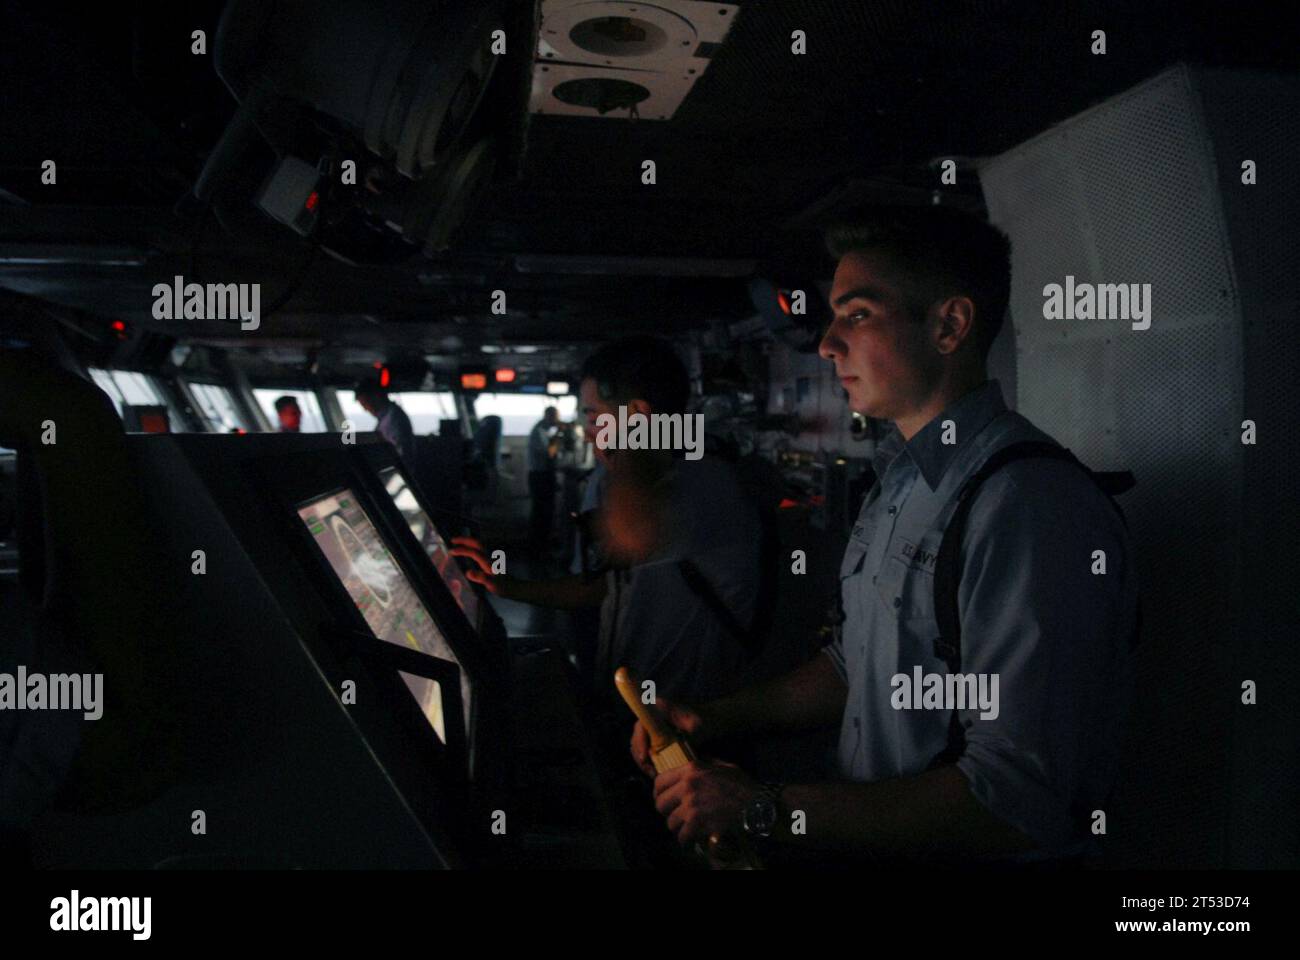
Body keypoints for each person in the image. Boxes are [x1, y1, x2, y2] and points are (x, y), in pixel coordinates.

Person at [630, 206, 1138, 866]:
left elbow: (1012, 798)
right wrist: (714, 718)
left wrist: (761, 808)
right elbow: (855, 667)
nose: (826, 343)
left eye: (858, 314)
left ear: (950, 325)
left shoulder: (1027, 506)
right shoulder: (900, 484)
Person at [451, 337, 763, 707]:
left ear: (638, 417)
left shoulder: (707, 483)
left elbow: (630, 534)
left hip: (693, 727)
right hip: (633, 713)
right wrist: (510, 588)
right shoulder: (649, 478)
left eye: (594, 416)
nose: (588, 430)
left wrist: (628, 447)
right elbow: (601, 587)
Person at [525, 405, 560, 554]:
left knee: (545, 512)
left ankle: (541, 546)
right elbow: (549, 454)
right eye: (556, 418)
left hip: (543, 476)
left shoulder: (543, 431)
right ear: (549, 416)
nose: (557, 421)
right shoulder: (539, 432)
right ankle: (538, 549)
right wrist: (558, 437)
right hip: (539, 477)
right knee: (542, 513)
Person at [355, 382, 414, 462]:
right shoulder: (387, 418)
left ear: (376, 396)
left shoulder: (393, 418)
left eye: (365, 403)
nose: (366, 409)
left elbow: (400, 453)